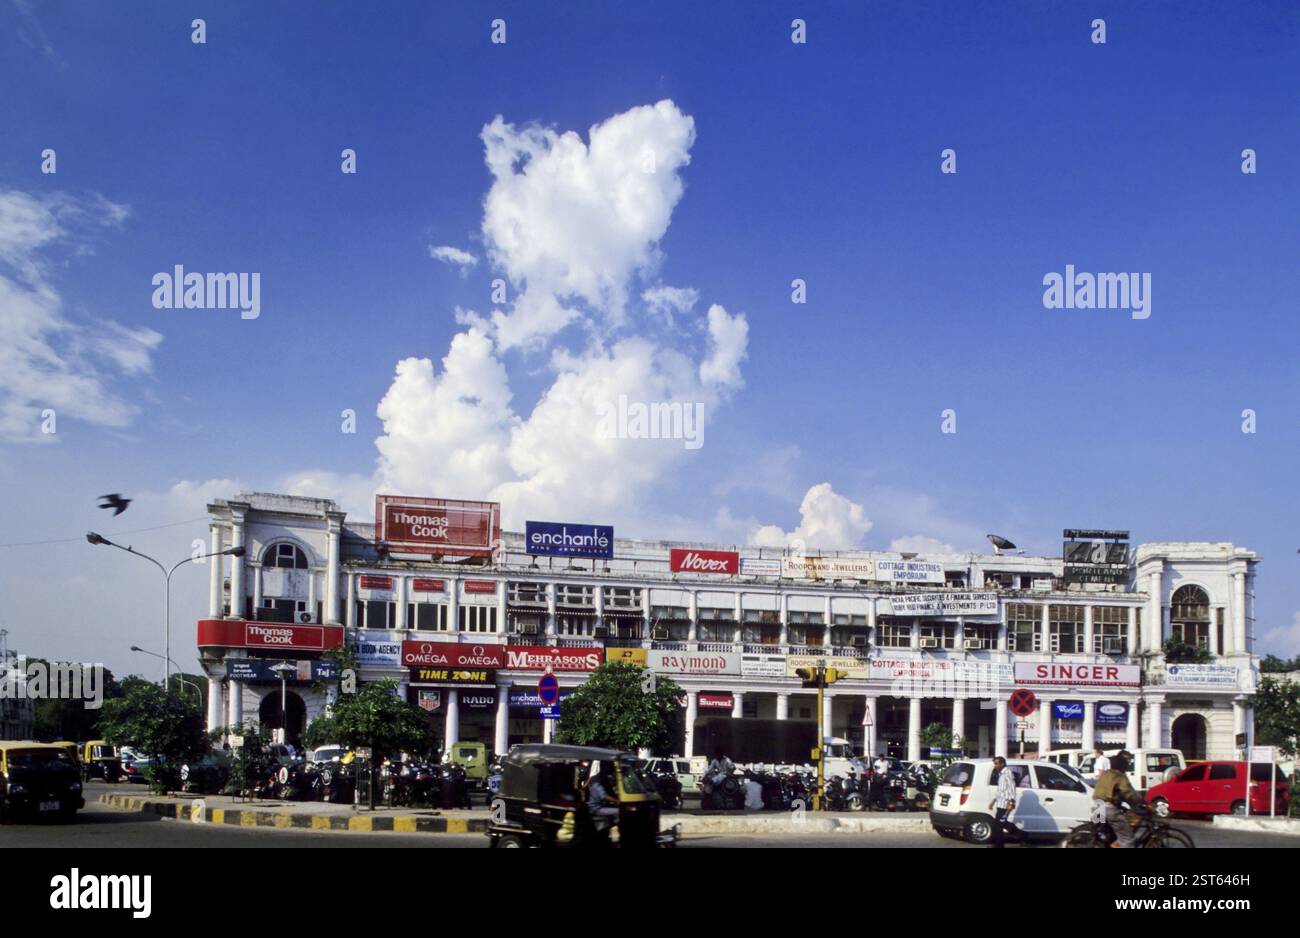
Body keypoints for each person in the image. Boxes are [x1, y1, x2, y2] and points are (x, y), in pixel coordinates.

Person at [1092, 750, 1142, 848]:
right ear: (1123, 764)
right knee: (1127, 837)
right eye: (1127, 761)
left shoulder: (1106, 774)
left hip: (1096, 805)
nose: (1128, 763)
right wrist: (1141, 802)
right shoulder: (1119, 776)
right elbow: (1129, 793)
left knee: (1107, 833)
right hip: (1108, 808)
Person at [986, 756, 1020, 848]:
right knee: (1000, 824)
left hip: (1005, 804)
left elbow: (1012, 789)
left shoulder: (1008, 773)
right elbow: (1000, 790)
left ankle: (999, 845)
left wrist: (1011, 802)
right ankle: (1022, 835)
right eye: (994, 764)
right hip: (1000, 803)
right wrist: (993, 801)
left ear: (1002, 764)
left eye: (996, 764)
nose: (995, 766)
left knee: (999, 825)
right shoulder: (1001, 774)